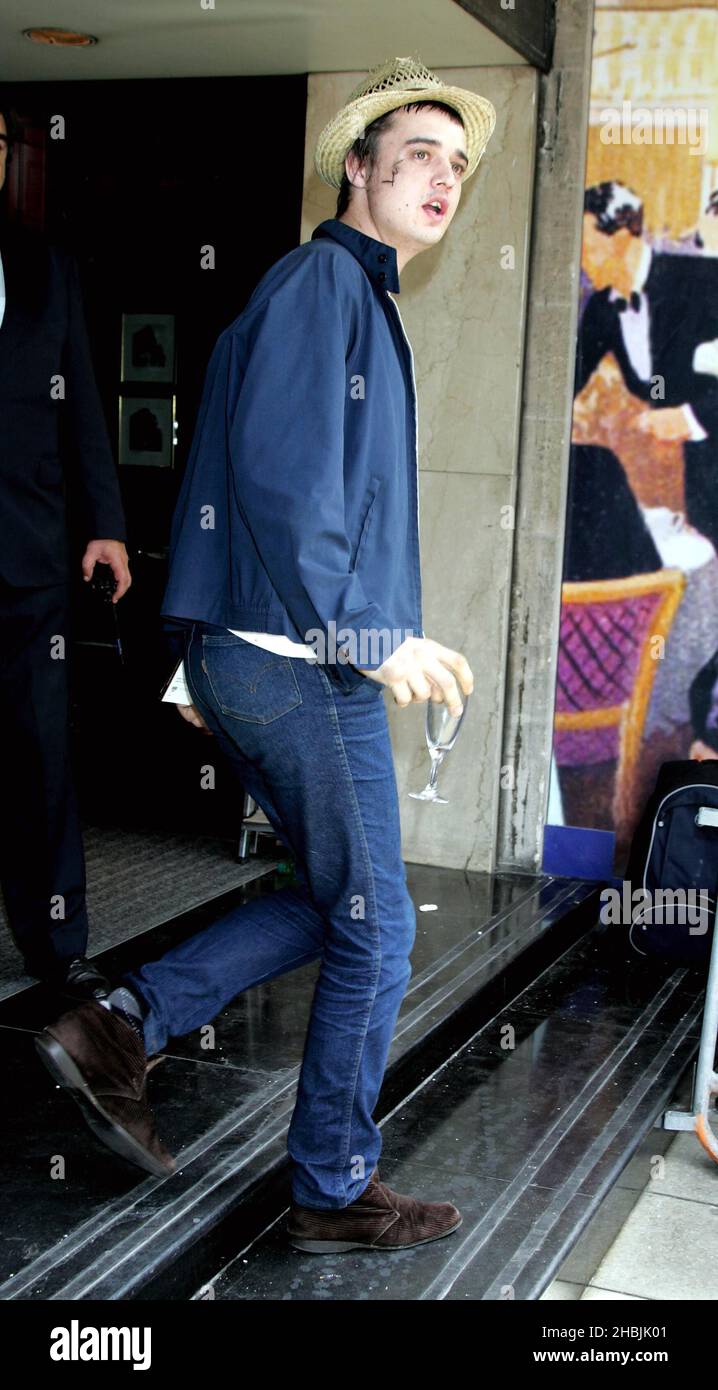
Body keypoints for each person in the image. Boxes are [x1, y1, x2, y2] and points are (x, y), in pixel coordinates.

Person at [36, 57, 495, 1255]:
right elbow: (285, 488)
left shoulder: (341, 294)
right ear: (356, 164)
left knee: (338, 899)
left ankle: (125, 1017)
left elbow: (229, 479)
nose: (441, 175)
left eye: (458, 162)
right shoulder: (322, 286)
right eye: (417, 152)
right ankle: (333, 1189)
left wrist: (199, 654)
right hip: (306, 663)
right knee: (380, 925)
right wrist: (370, 634)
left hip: (272, 656)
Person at [0, 102, 131, 999]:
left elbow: (82, 405)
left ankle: (56, 944)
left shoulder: (49, 270)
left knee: (41, 757)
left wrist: (107, 522)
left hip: (29, 560)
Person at [577, 180, 718, 552]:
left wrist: (689, 418)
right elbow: (566, 383)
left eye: (587, 244)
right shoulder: (603, 308)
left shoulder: (704, 281)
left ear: (622, 236)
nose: (581, 258)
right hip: (697, 487)